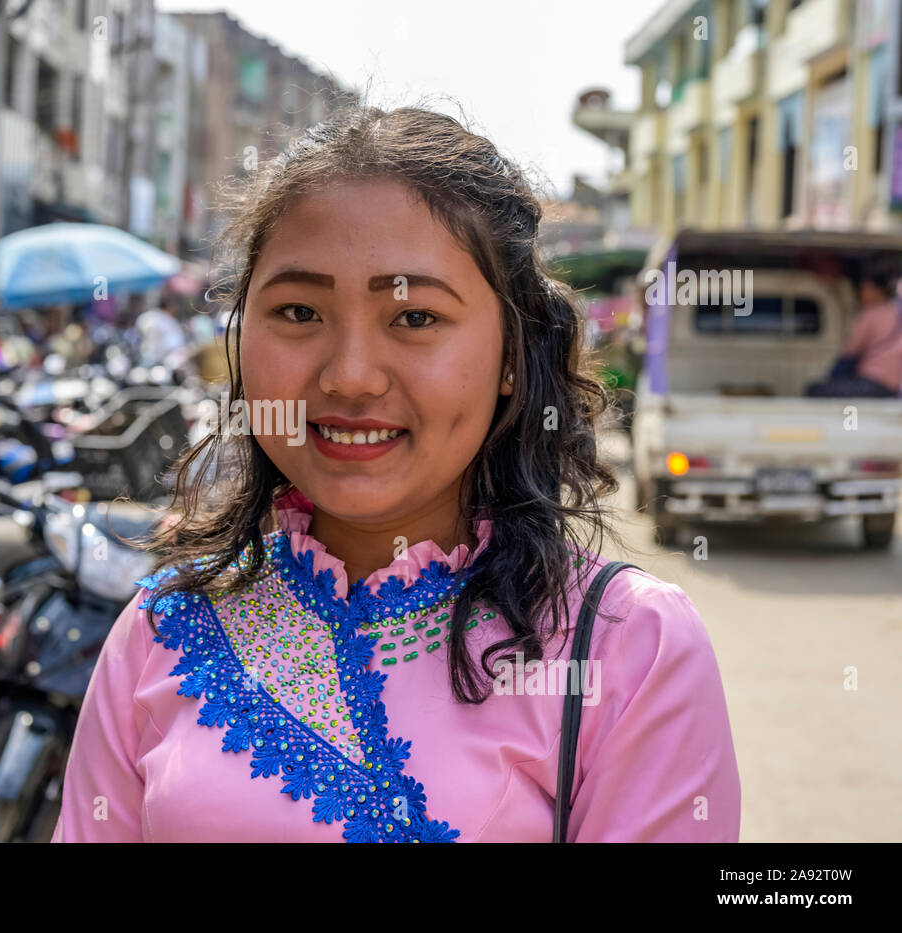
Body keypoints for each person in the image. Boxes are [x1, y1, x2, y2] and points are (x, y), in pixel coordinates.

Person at [51, 105, 740, 843]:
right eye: (298, 310)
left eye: (415, 319)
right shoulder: (161, 628)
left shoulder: (627, 648)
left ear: (512, 353)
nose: (350, 377)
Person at [806, 272, 902, 398]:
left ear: (877, 290)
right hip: (892, 387)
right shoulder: (897, 314)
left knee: (814, 389)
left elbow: (850, 350)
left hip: (872, 383)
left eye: (865, 289)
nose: (861, 294)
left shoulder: (871, 314)